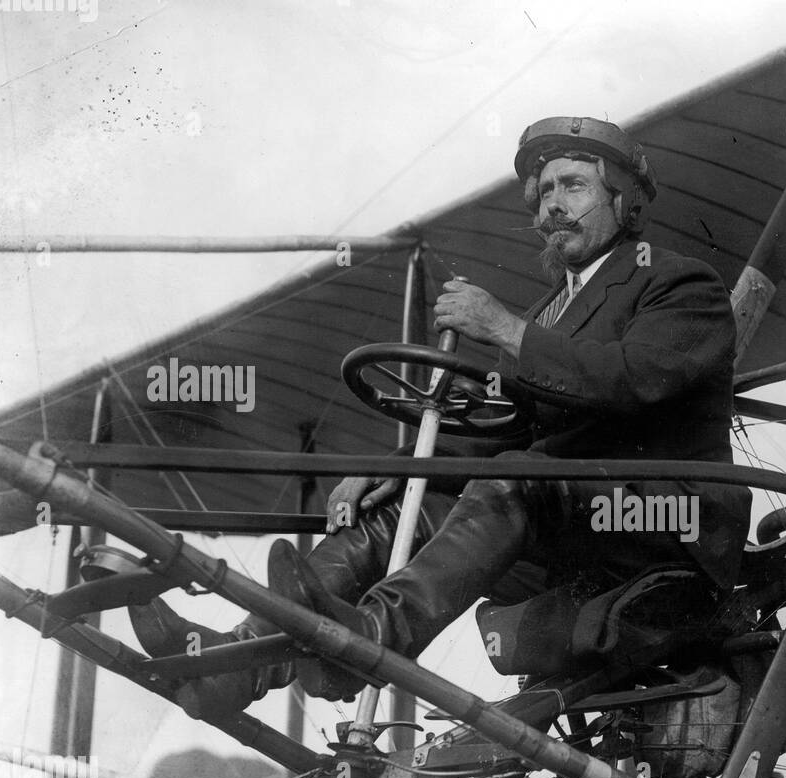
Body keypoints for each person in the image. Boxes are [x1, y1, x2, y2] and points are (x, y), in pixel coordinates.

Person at [130, 116, 751, 717]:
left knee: (517, 478)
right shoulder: (554, 309)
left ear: (620, 200)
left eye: (575, 186)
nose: (553, 206)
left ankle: (369, 637)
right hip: (576, 526)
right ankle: (237, 663)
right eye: (544, 193)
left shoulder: (678, 285)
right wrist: (398, 468)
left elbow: (629, 382)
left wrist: (507, 329)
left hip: (668, 521)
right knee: (398, 511)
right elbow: (517, 434)